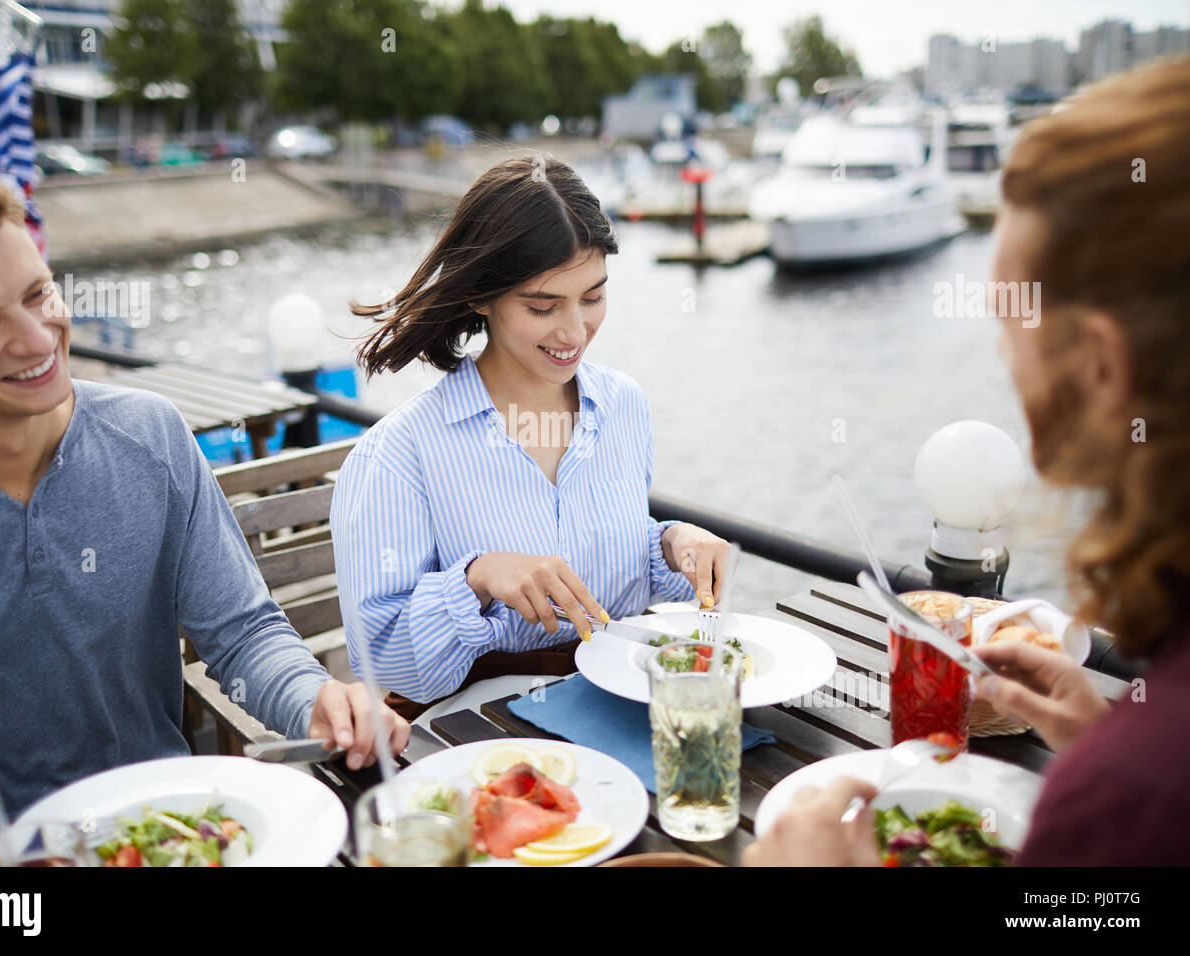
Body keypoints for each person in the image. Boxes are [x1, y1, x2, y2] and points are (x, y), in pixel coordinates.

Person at [0, 156, 409, 866]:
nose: (39, 341)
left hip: (172, 842)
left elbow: (242, 633)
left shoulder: (152, 435)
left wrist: (317, 697)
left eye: (38, 293)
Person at [744, 56, 1190, 866]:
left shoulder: (1130, 797)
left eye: (1009, 316)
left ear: (1098, 361)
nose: (1000, 349)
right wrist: (1108, 738)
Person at [331, 156, 729, 719]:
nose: (574, 332)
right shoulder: (397, 454)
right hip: (476, 733)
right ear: (479, 295)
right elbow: (383, 664)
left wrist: (669, 543)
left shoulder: (623, 406)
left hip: (619, 703)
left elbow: (604, 552)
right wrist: (478, 579)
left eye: (593, 297)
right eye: (542, 306)